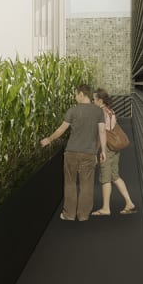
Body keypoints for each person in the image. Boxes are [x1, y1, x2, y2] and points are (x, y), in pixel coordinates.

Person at [39, 84, 108, 222]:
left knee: (70, 183)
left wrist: (49, 139)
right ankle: (83, 215)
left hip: (71, 152)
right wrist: (103, 151)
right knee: (86, 185)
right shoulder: (98, 112)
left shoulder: (73, 110)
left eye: (76, 94)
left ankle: (69, 214)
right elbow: (102, 131)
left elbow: (61, 129)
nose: (75, 97)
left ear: (82, 94)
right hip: (89, 154)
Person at [91, 89, 137, 216]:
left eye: (94, 99)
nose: (92, 101)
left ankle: (106, 208)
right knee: (115, 176)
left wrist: (100, 151)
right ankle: (129, 203)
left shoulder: (100, 114)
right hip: (115, 148)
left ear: (100, 101)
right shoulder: (111, 111)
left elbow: (102, 133)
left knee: (105, 178)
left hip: (107, 148)